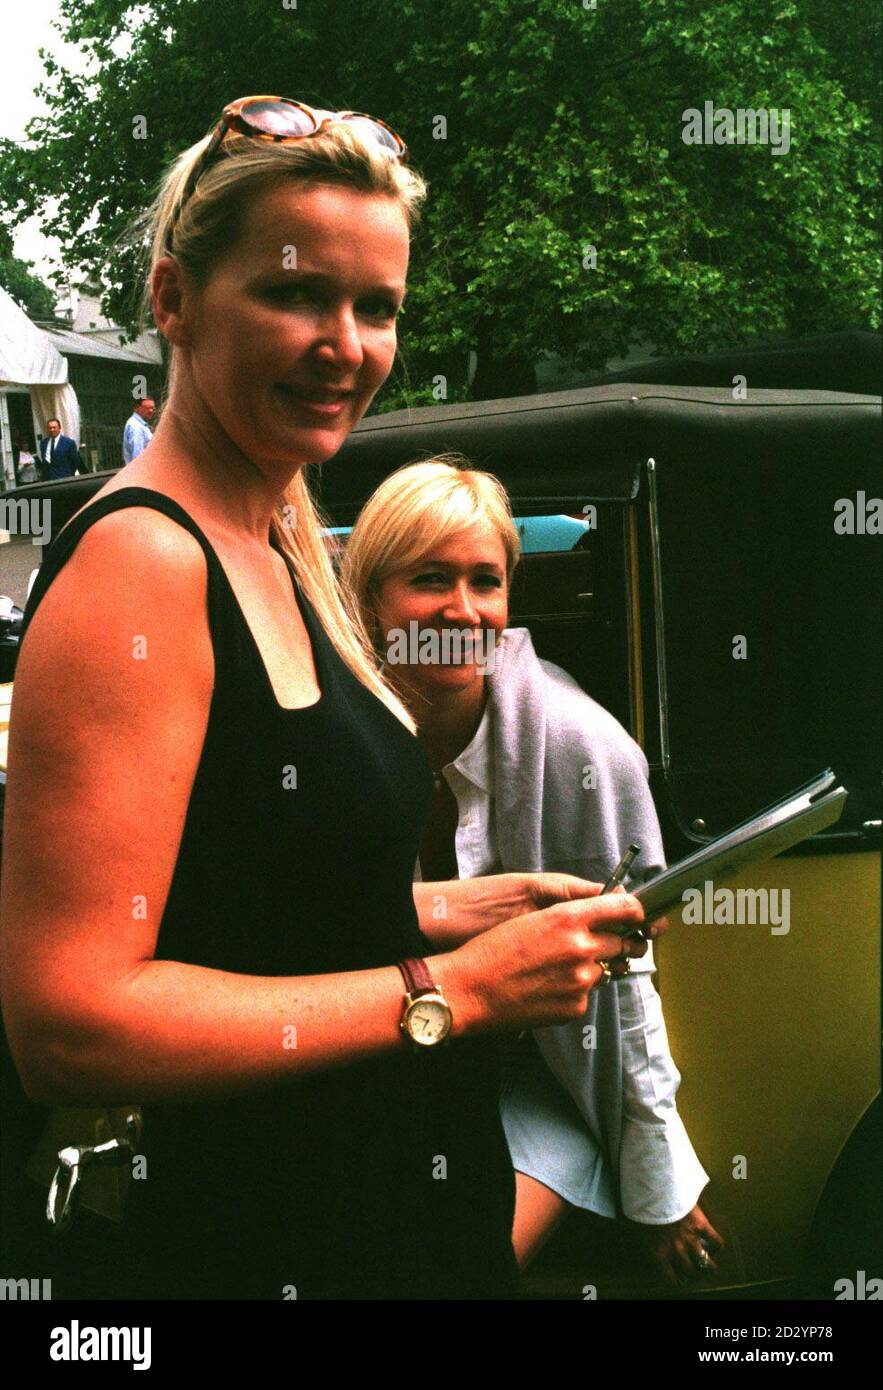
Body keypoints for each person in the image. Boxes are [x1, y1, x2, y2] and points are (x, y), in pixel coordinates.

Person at [0, 96, 656, 1302]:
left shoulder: (281, 526)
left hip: (392, 1225)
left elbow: (242, 902)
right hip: (272, 1245)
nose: (344, 343)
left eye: (376, 307)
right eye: (296, 294)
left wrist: (456, 908)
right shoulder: (147, 563)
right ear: (173, 300)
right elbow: (70, 1020)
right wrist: (455, 991)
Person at [341, 456, 722, 1287]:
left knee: (451, 1273)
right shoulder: (329, 735)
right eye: (429, 579)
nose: (463, 610)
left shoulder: (583, 750)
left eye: (487, 581)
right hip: (364, 1054)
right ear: (369, 596)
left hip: (533, 1075)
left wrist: (656, 1181)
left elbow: (625, 980)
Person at [122, 398, 156, 464]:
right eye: (147, 408)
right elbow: (138, 456)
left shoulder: (140, 424)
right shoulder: (136, 426)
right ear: (137, 408)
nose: (151, 411)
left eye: (153, 408)